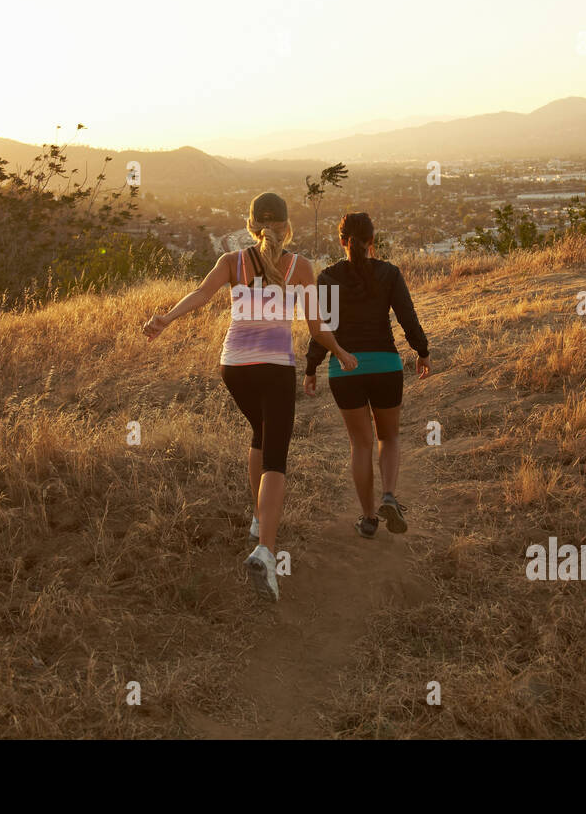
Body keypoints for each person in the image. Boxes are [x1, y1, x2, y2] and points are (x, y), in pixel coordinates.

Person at [143, 192, 355, 602]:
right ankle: (266, 552)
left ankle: (259, 520)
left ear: (252, 225)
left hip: (234, 367)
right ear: (287, 225)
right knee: (276, 453)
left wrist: (166, 319)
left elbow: (202, 295)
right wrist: (342, 352)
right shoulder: (300, 267)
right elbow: (315, 328)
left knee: (260, 432)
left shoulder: (232, 262)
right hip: (274, 367)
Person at [304, 212, 430, 539]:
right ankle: (389, 495)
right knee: (388, 438)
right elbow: (407, 317)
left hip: (345, 370)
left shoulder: (328, 277)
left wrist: (311, 368)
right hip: (386, 366)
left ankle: (369, 518)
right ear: (373, 240)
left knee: (361, 445)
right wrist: (422, 351)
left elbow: (322, 328)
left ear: (341, 241)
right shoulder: (389, 273)